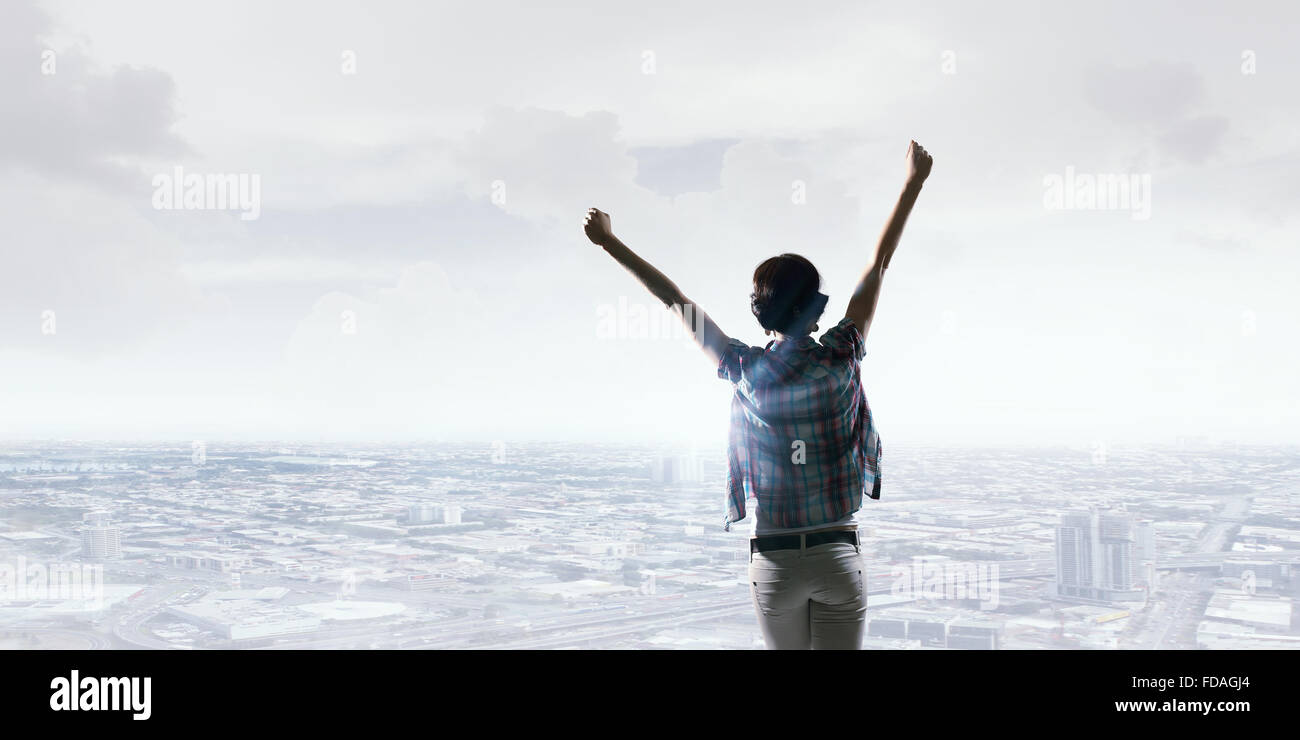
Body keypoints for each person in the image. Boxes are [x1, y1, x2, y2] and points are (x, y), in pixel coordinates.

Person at [583, 140, 934, 649]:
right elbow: (879, 264)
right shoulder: (841, 353)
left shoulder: (744, 369)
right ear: (815, 310)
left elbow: (675, 301)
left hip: (773, 560)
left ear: (760, 314)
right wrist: (912, 184)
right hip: (837, 552)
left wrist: (609, 243)